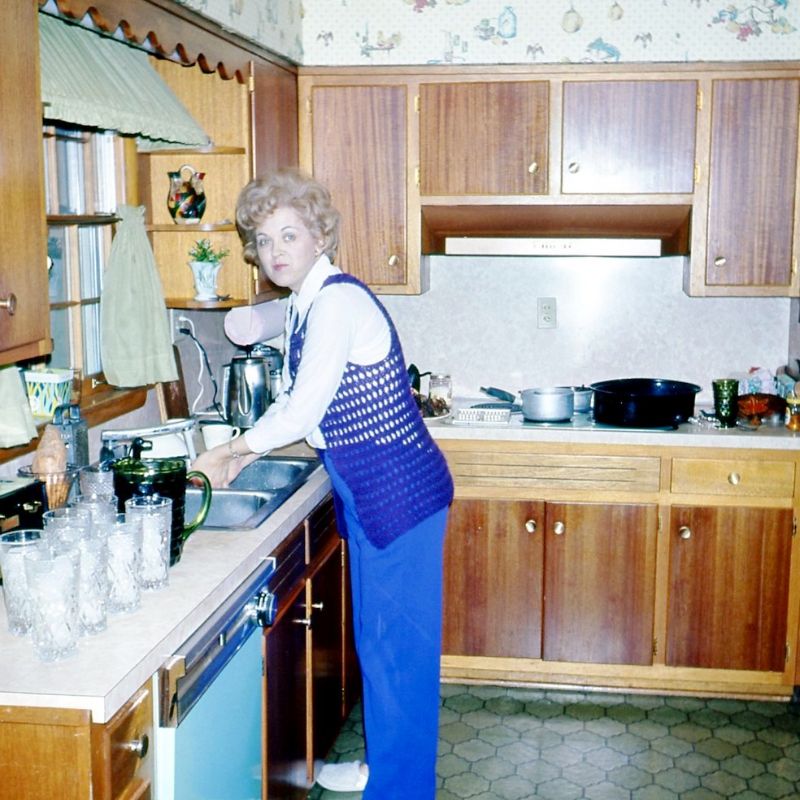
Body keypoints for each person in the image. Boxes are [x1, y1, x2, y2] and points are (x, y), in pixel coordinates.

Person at [192, 167, 454, 799]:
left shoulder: (336, 299)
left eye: (290, 235)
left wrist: (234, 450)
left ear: (320, 236)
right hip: (368, 492)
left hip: (401, 495)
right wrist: (256, 324)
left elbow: (305, 410)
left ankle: (402, 789)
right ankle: (383, 767)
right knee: (376, 643)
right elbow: (289, 318)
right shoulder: (311, 297)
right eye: (264, 239)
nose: (276, 251)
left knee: (400, 657)